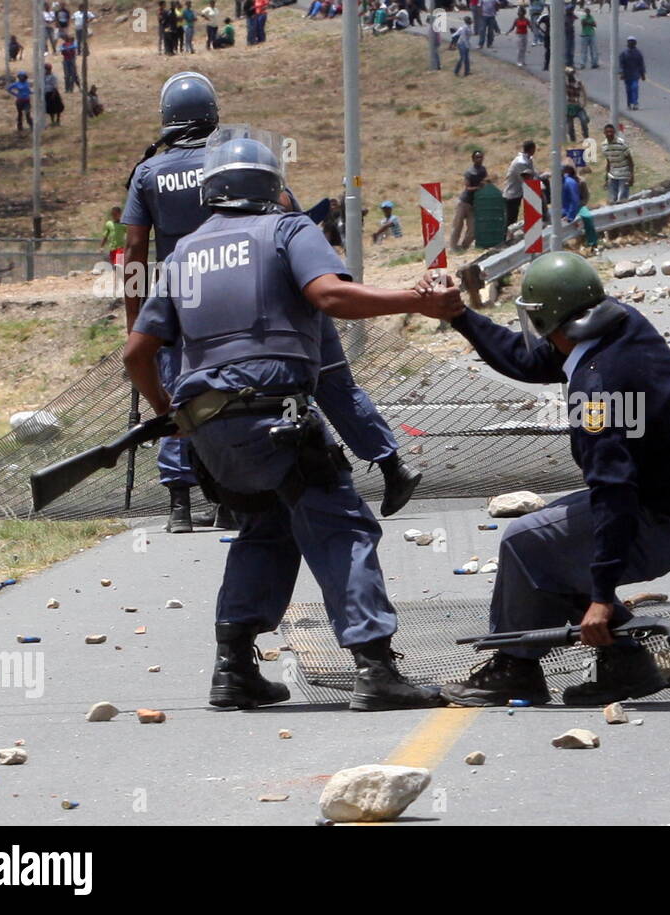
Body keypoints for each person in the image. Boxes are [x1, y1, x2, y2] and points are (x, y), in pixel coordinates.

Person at [124, 133, 460, 713]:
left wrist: (172, 418)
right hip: (279, 416)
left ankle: (233, 670)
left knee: (267, 527)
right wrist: (414, 299)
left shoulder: (182, 256)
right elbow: (330, 295)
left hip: (212, 436)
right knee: (342, 526)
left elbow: (136, 354)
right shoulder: (287, 230)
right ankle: (376, 669)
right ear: (273, 187)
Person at [435, 251, 670, 707]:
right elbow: (527, 360)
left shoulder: (597, 391)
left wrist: (601, 596)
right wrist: (460, 315)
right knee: (551, 532)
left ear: (547, 319)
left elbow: (613, 492)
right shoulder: (620, 326)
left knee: (526, 541)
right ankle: (625, 664)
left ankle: (515, 668)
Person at [124, 77, 423, 533]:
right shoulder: (238, 155)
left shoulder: (149, 173)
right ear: (213, 112)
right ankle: (389, 464)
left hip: (191, 296)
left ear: (166, 116)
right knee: (331, 377)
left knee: (185, 391)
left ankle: (183, 503)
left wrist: (138, 320)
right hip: (270, 287)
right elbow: (288, 212)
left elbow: (133, 250)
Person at [450, 149, 487, 251]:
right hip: (464, 202)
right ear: (473, 159)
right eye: (477, 157)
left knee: (473, 230)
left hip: (474, 204)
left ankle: (463, 247)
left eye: (481, 157)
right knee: (457, 225)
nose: (479, 159)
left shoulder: (483, 170)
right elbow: (467, 187)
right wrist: (478, 188)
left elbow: (485, 182)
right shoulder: (469, 172)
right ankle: (453, 247)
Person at [503, 140, 537, 226]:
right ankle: (505, 238)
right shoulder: (520, 162)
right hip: (512, 194)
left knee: (513, 218)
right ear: (532, 149)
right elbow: (527, 178)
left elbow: (533, 173)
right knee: (511, 219)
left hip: (519, 192)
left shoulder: (528, 159)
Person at [602, 123, 633, 203]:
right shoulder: (604, 146)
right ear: (604, 133)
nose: (609, 134)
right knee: (613, 200)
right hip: (612, 176)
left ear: (614, 132)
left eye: (611, 132)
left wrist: (631, 176)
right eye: (607, 132)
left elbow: (630, 161)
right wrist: (606, 179)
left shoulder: (621, 143)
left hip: (624, 175)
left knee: (622, 200)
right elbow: (609, 162)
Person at [619, 36, 645, 110]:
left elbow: (641, 64)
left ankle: (635, 103)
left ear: (635, 43)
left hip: (635, 74)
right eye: (629, 41)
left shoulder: (638, 53)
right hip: (627, 74)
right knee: (628, 89)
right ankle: (629, 103)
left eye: (632, 41)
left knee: (634, 87)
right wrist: (621, 73)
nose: (631, 43)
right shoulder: (624, 53)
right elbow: (621, 64)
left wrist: (642, 74)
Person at [564, 68, 590, 141]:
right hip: (569, 106)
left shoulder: (578, 83)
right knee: (570, 126)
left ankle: (586, 136)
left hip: (577, 106)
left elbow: (584, 93)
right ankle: (573, 140)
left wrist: (584, 104)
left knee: (584, 120)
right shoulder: (565, 84)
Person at [43, 62, 65, 126]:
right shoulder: (44, 76)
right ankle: (52, 120)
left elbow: (55, 86)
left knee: (57, 107)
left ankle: (58, 119)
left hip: (53, 93)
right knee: (50, 108)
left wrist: (54, 94)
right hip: (47, 93)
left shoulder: (53, 76)